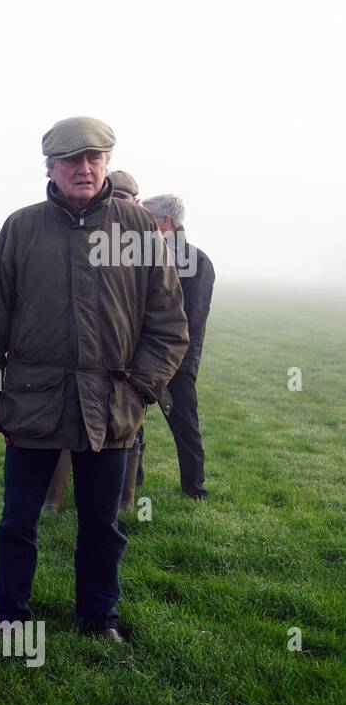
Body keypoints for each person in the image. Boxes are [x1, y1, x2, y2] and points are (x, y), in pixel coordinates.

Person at [0, 117, 187, 643]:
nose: (83, 170)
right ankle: (9, 616)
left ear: (106, 163)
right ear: (50, 167)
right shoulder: (21, 228)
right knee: (18, 521)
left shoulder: (137, 229)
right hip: (32, 403)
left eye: (93, 159)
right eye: (71, 161)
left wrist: (139, 387)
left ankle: (99, 617)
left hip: (110, 405)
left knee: (102, 527)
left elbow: (169, 324)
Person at [46, 166, 145, 514]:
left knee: (129, 436)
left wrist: (145, 379)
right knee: (70, 434)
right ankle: (54, 501)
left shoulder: (144, 242)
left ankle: (126, 502)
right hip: (78, 360)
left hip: (127, 367)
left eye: (125, 198)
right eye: (114, 196)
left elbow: (165, 315)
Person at [141, 194, 215, 499]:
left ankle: (194, 490)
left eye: (146, 218)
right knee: (130, 424)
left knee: (184, 426)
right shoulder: (140, 255)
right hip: (139, 355)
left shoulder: (197, 262)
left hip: (178, 361)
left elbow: (192, 318)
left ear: (164, 221)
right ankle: (130, 484)